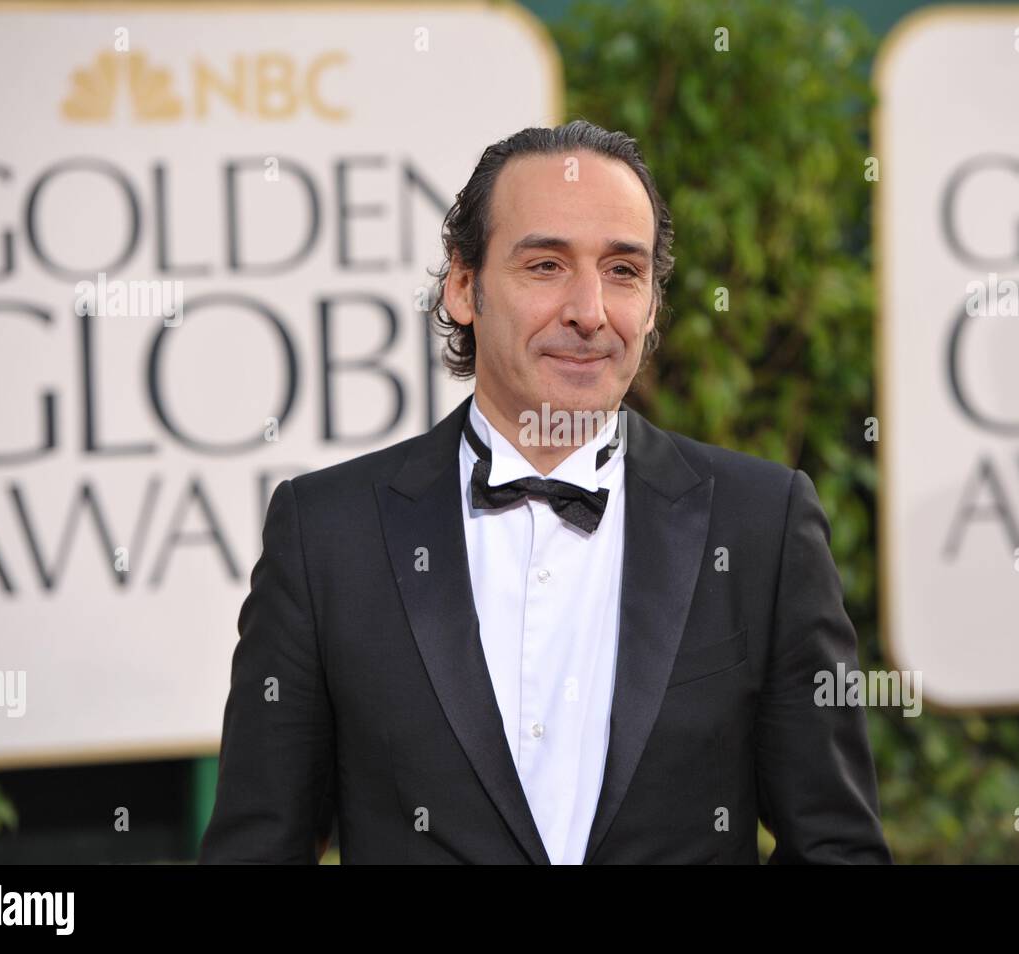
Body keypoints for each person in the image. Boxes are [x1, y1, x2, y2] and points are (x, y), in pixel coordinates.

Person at [199, 120, 891, 864]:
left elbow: (837, 846)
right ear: (464, 287)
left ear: (653, 305)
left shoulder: (762, 525)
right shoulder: (326, 535)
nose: (589, 311)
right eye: (546, 266)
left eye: (623, 271)